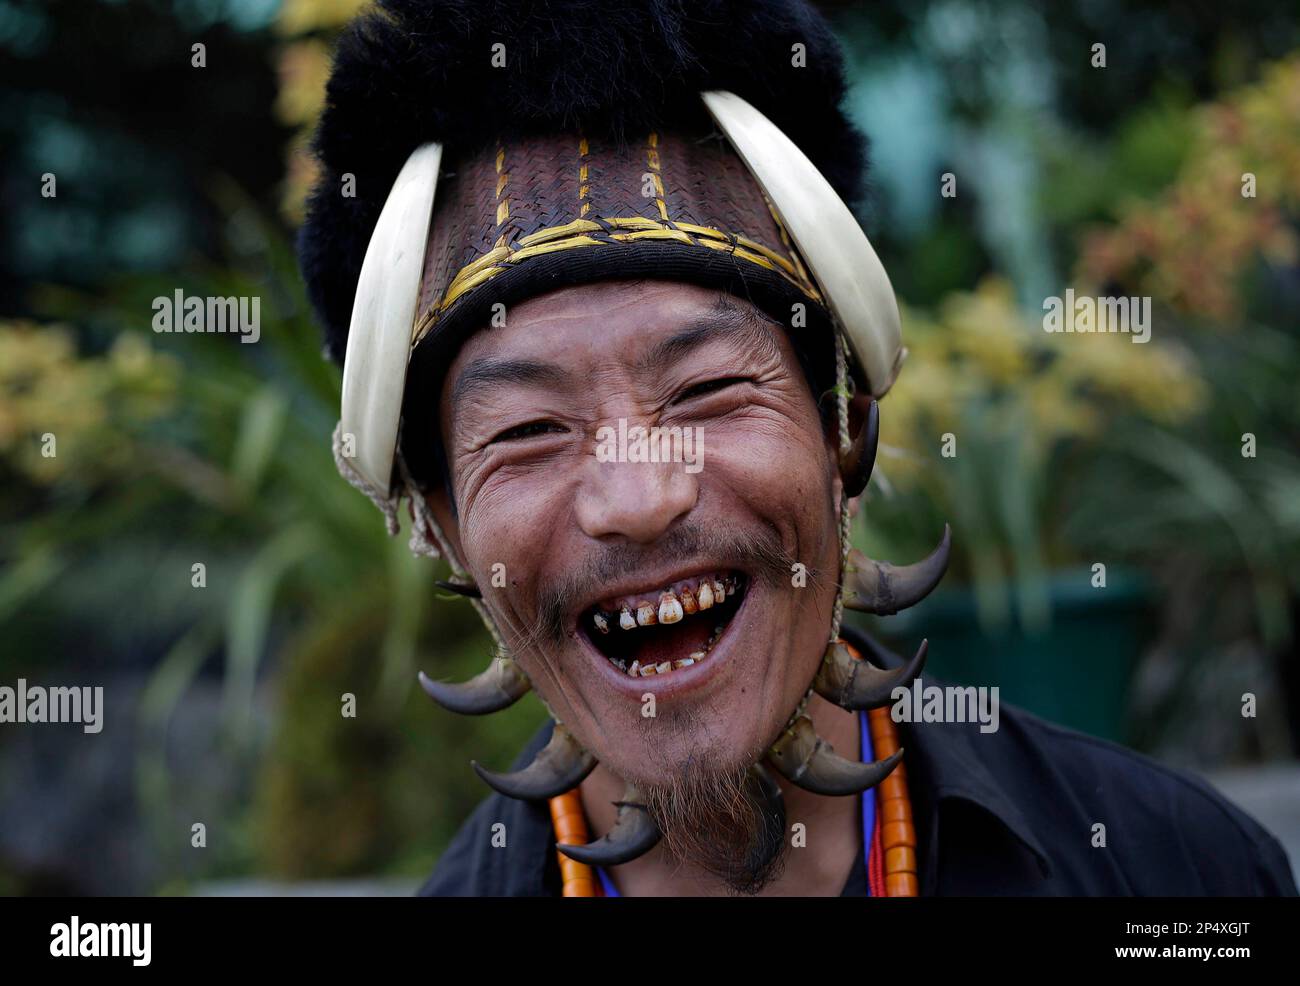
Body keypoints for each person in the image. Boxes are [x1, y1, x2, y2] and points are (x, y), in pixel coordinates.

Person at [296, 0, 1296, 896]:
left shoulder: (1168, 870)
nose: (639, 497)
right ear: (442, 526)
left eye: (706, 390)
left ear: (844, 426)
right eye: (526, 433)